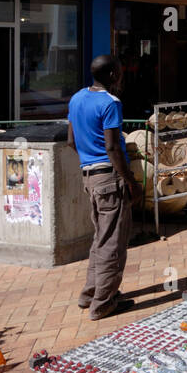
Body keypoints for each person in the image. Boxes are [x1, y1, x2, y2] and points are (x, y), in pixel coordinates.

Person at [67, 55, 141, 320]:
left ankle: (90, 293)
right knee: (113, 242)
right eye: (119, 72)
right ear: (111, 75)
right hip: (110, 177)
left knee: (101, 237)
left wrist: (90, 161)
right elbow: (112, 147)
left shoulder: (76, 98)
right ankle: (103, 302)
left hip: (90, 176)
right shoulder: (111, 103)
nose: (121, 76)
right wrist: (130, 181)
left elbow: (71, 140)